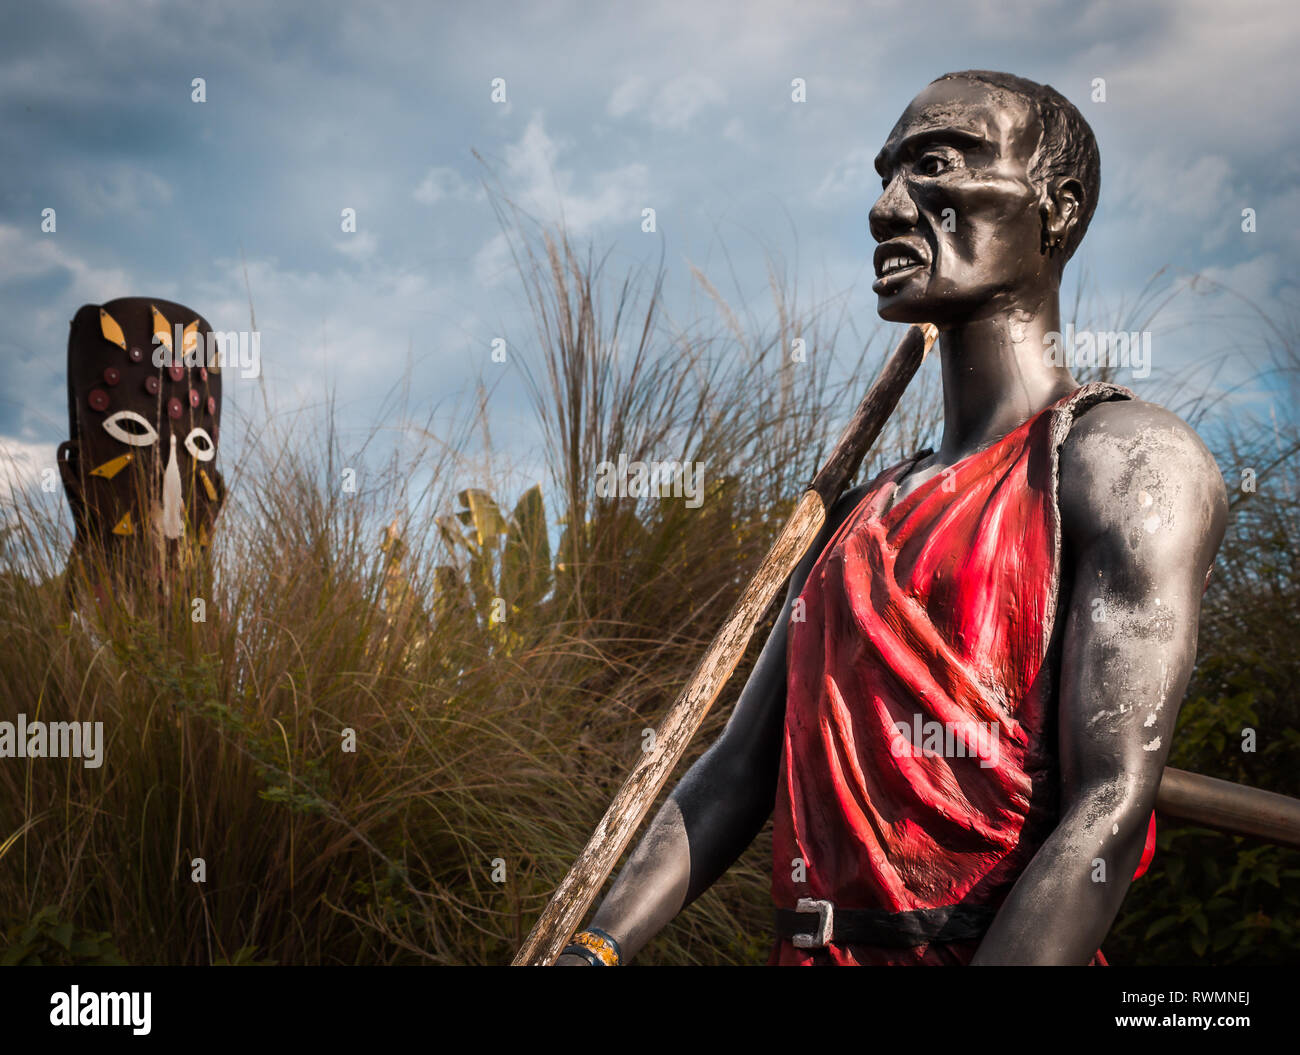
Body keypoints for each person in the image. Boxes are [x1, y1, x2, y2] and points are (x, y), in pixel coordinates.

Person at [556, 70, 1227, 967]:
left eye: (937, 164)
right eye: (886, 175)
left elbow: (1109, 803)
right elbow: (736, 769)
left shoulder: (1126, 465)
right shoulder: (850, 519)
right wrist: (594, 947)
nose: (886, 209)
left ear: (1056, 209)